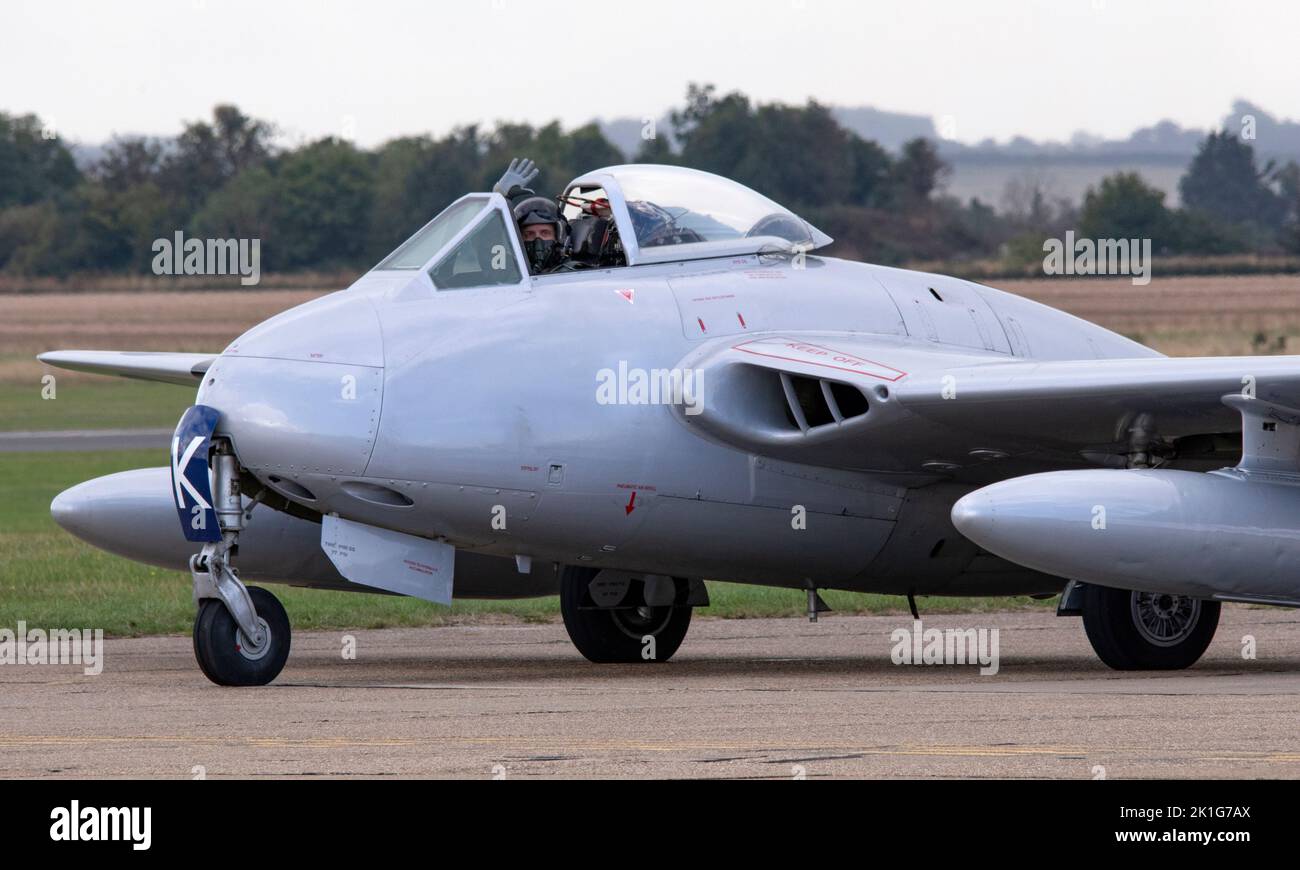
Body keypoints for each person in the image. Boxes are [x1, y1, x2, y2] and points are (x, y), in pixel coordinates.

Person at [493, 157, 567, 274]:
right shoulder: (511, 274)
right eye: (529, 234)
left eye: (545, 233)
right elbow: (483, 245)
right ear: (519, 239)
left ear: (559, 236)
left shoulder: (574, 273)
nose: (538, 240)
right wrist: (498, 198)